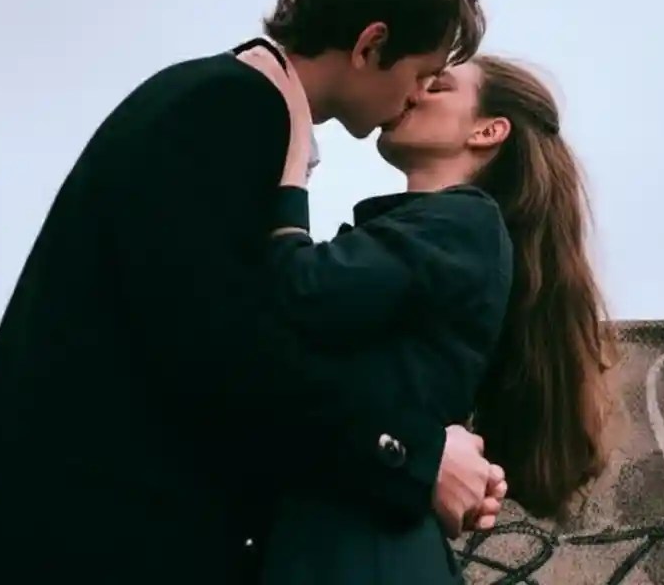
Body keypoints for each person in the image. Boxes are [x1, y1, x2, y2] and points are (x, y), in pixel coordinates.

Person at [0, 0, 504, 585]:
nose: (416, 95)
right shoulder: (229, 107)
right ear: (371, 43)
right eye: (421, 73)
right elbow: (223, 354)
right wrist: (414, 456)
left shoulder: (228, 106)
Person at [235, 47, 622, 583]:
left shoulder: (463, 224)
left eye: (438, 86)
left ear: (487, 131)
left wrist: (292, 164)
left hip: (359, 552)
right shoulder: (434, 237)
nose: (414, 90)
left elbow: (296, 296)